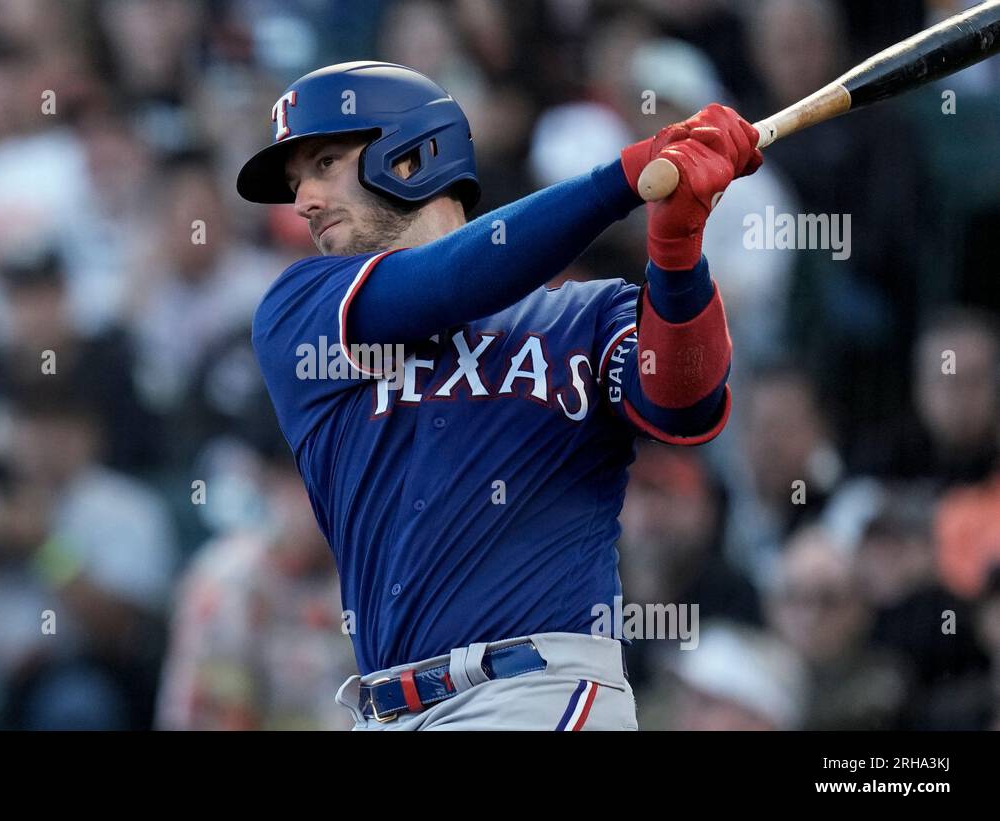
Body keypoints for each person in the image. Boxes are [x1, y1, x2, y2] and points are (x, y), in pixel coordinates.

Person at [240, 61, 760, 729]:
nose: (304, 199)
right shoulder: (298, 310)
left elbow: (684, 403)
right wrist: (621, 181)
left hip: (538, 695)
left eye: (326, 162)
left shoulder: (586, 314)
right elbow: (453, 281)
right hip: (385, 708)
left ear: (411, 156)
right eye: (295, 183)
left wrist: (679, 247)